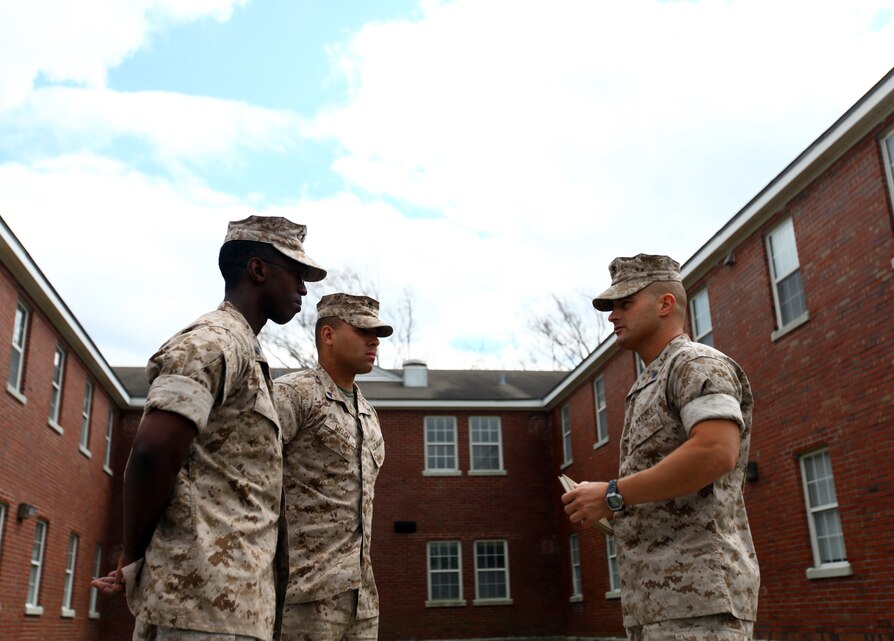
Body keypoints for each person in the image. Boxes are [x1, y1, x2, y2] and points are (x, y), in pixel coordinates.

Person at [91, 215, 326, 641]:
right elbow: (151, 452)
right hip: (197, 612)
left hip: (234, 611)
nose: (304, 289)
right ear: (258, 270)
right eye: (296, 273)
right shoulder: (211, 342)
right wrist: (136, 554)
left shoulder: (248, 354)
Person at [562, 254, 759, 641]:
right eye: (611, 306)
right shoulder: (648, 383)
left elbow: (715, 452)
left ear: (665, 304)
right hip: (656, 604)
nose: (612, 315)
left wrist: (613, 494)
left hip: (702, 604)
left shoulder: (696, 363)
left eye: (625, 303)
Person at [273, 293, 392, 641]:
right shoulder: (293, 395)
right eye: (363, 330)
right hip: (303, 597)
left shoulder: (369, 414)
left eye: (378, 335)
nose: (374, 341)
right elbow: (244, 475)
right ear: (328, 335)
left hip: (362, 602)